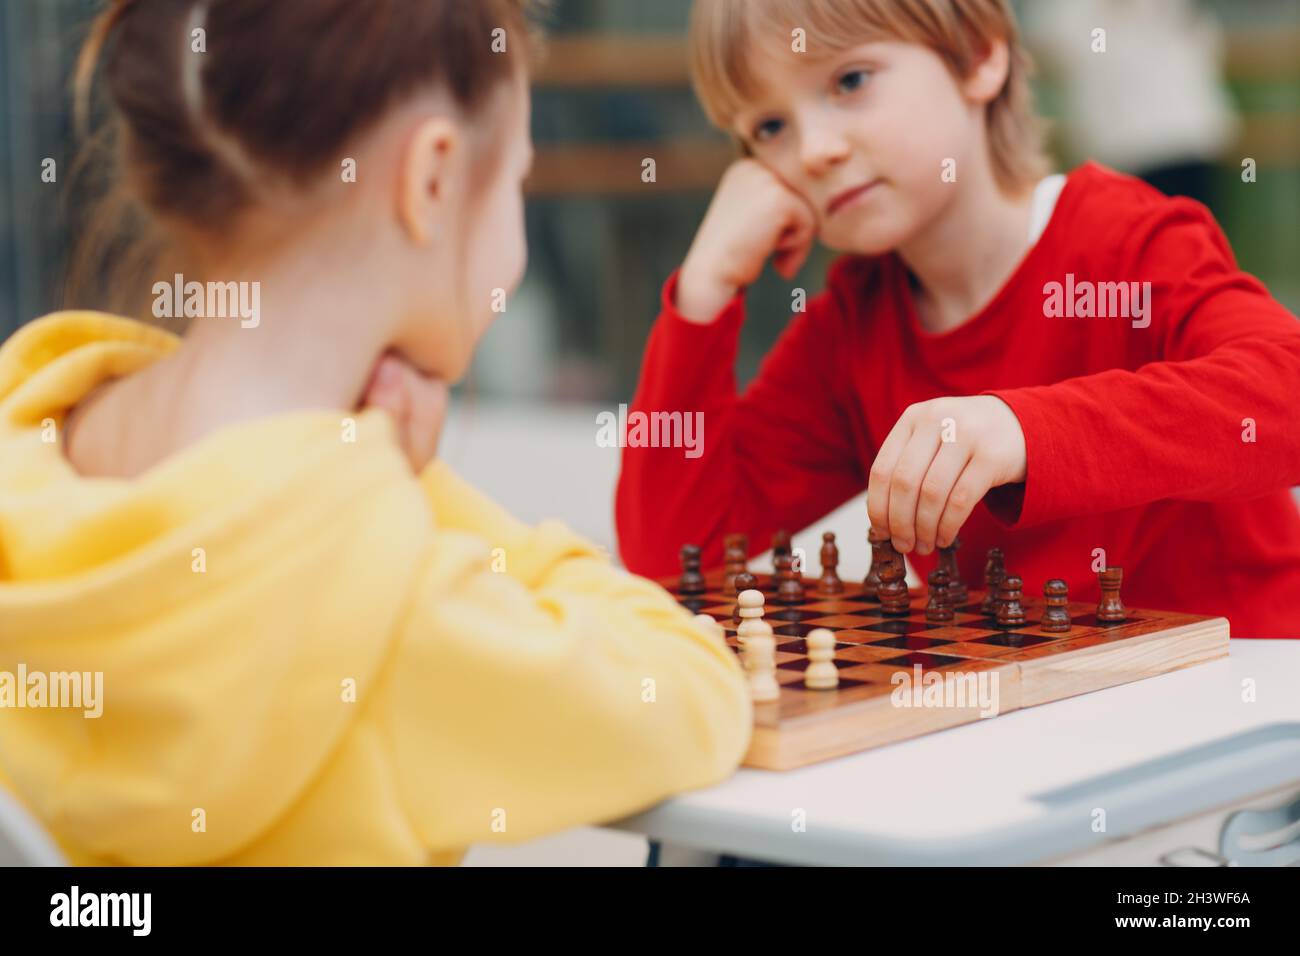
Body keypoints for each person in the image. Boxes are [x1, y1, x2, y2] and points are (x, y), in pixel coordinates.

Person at [0, 0, 750, 865]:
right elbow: (693, 690)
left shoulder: (32, 459)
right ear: (430, 181)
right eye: (516, 181)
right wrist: (403, 491)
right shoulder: (396, 615)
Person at [615, 0, 1300, 637]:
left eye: (850, 81)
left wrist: (1023, 431)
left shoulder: (1128, 240)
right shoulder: (853, 327)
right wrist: (705, 290)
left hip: (1245, 712)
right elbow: (676, 555)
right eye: (768, 127)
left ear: (979, 56)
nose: (813, 150)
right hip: (1049, 724)